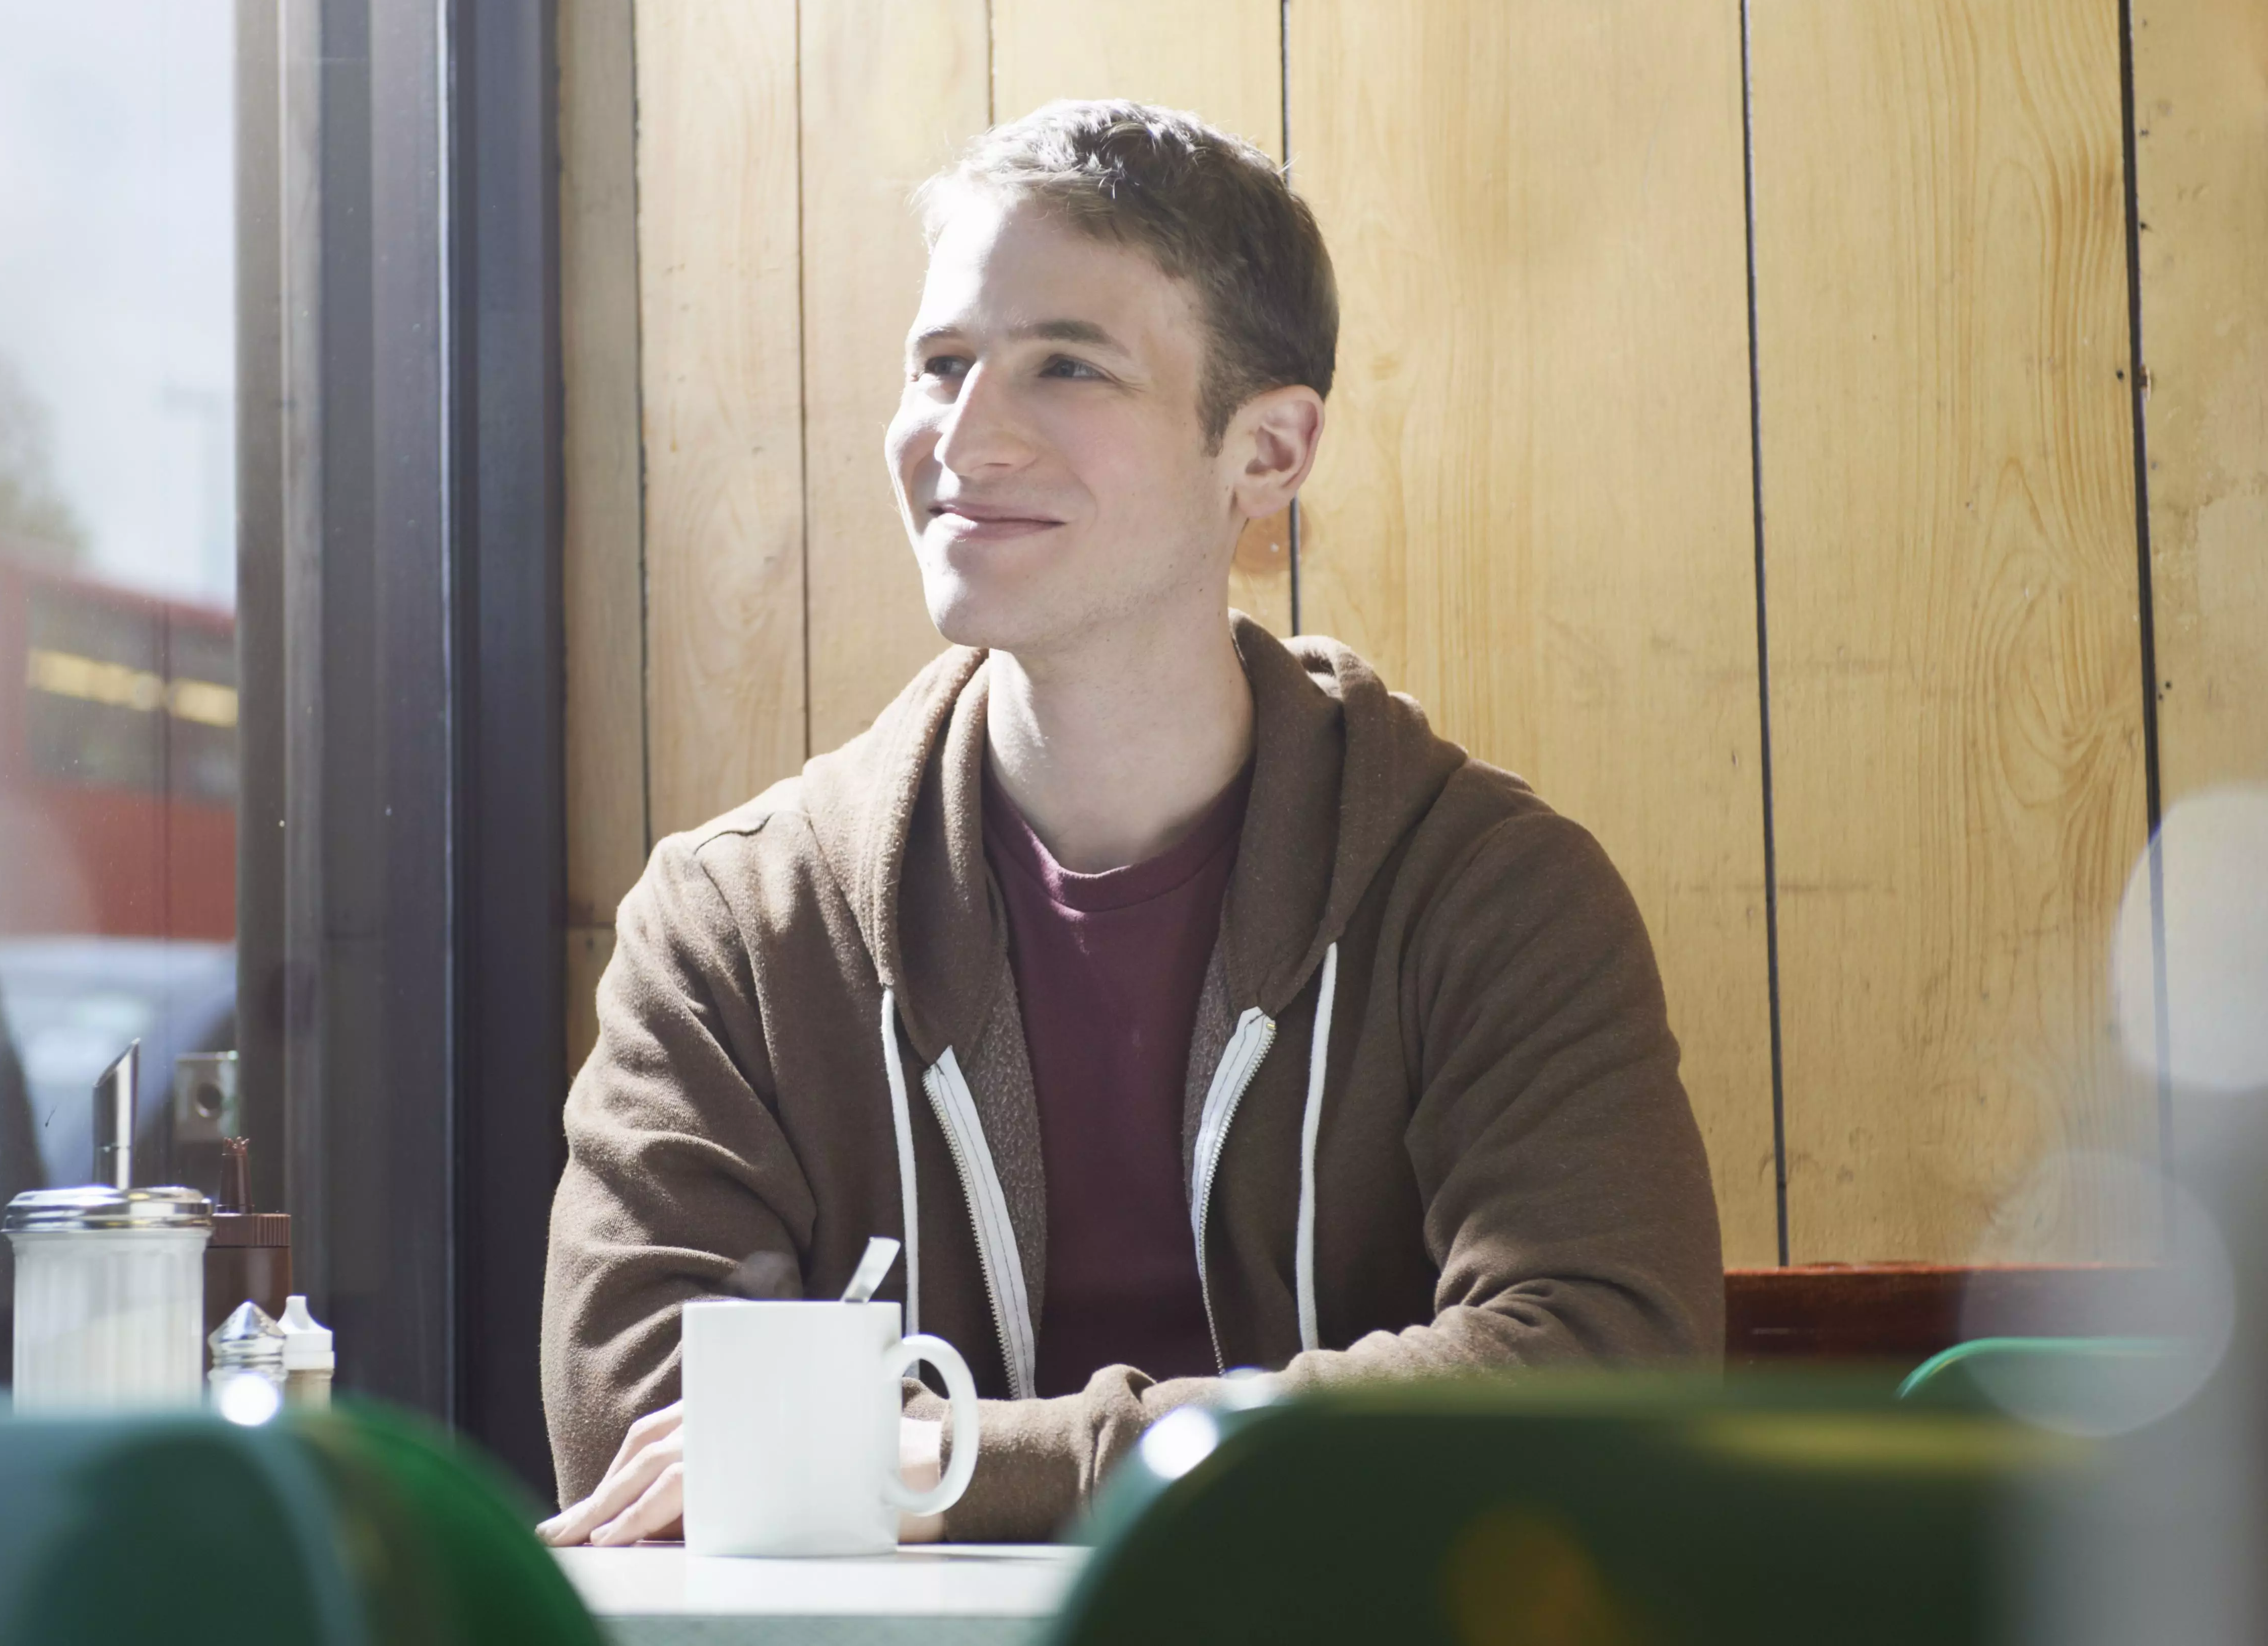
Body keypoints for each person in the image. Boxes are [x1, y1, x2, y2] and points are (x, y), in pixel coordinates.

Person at [538, 100, 1722, 1548]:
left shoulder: (1494, 896)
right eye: (942, 364)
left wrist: (964, 1462)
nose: (965, 438)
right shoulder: (730, 930)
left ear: (1269, 455)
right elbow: (636, 1428)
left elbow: (1605, 1361)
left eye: (1067, 367)